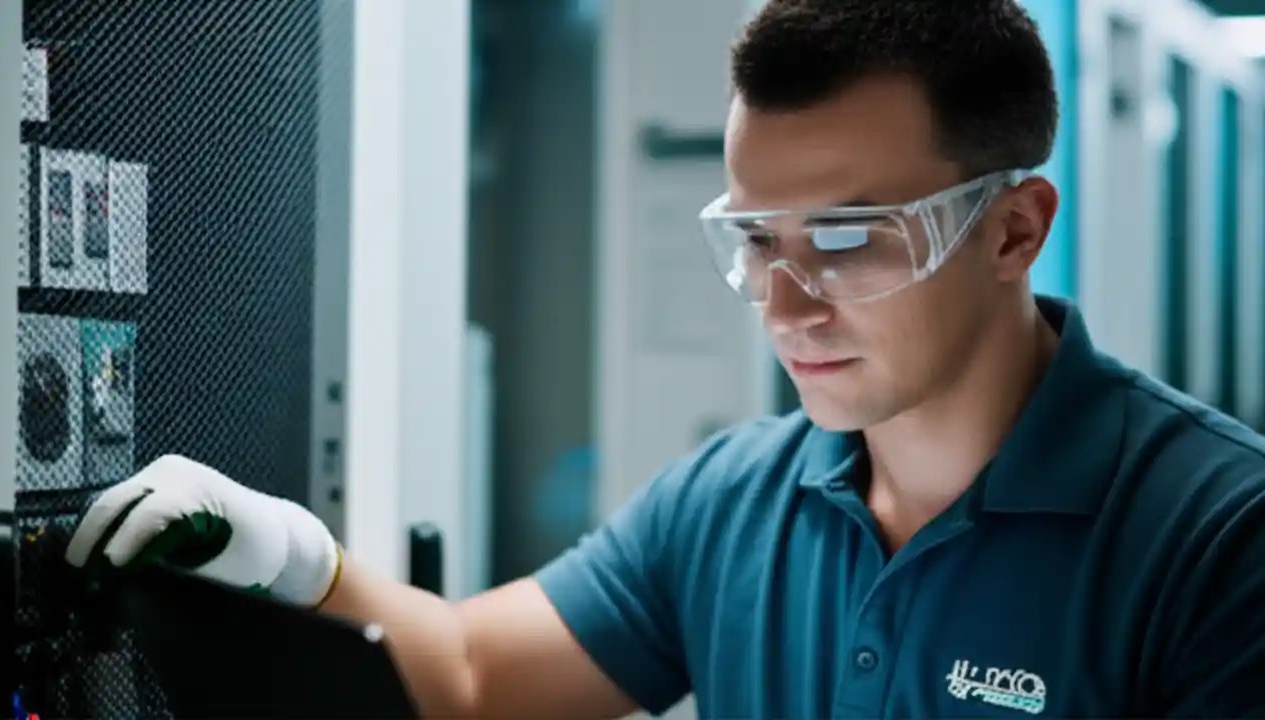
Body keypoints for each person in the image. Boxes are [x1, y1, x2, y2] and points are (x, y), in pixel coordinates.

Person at [66, 0, 1265, 717]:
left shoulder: (1216, 541)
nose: (783, 304)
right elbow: (474, 678)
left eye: (846, 239)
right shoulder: (732, 502)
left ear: (1010, 231)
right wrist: (288, 555)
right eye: (755, 240)